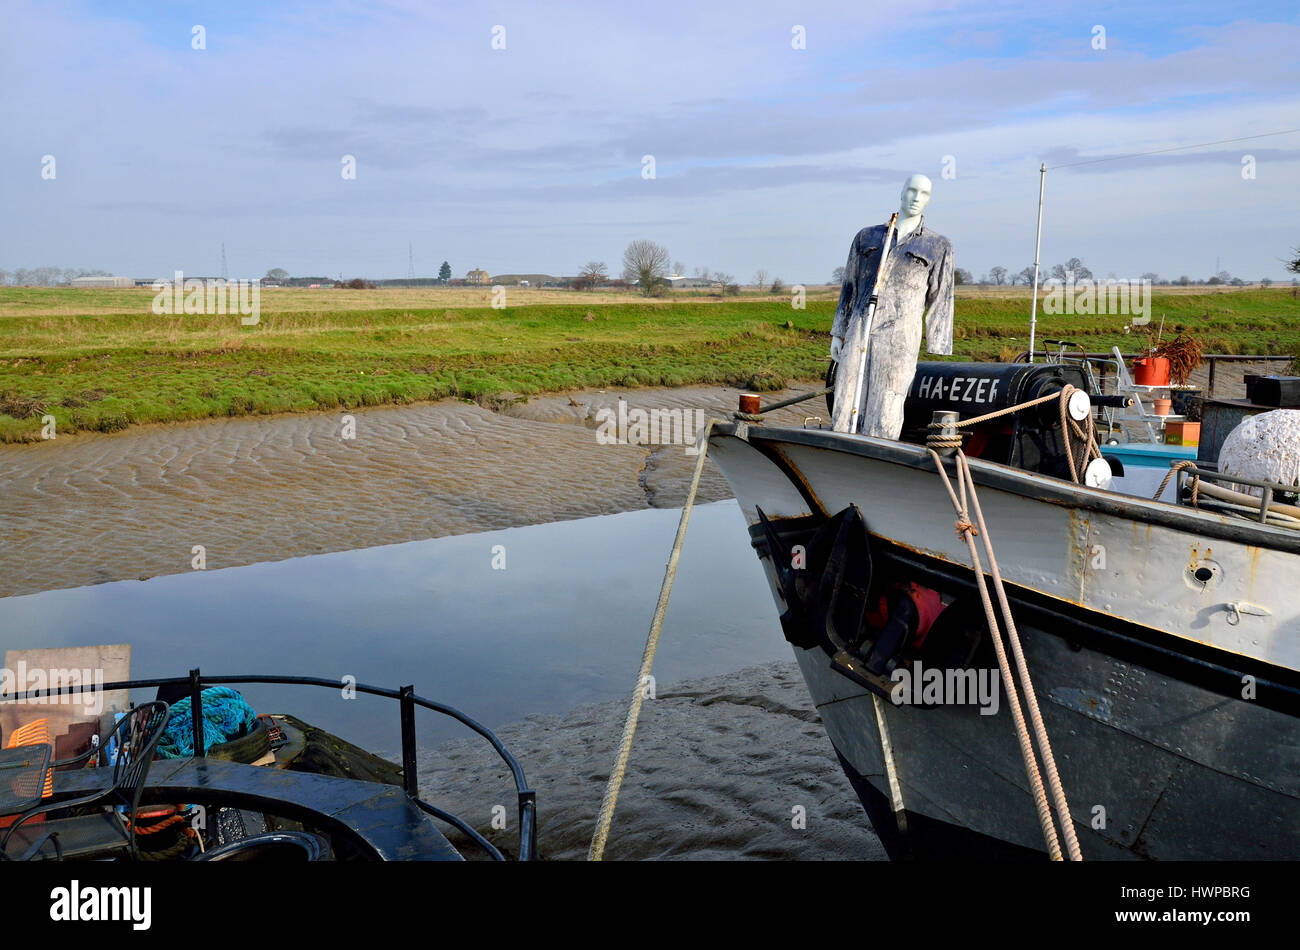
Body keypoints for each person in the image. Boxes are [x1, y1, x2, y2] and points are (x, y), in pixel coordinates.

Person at [830, 174, 954, 438]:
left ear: (930, 199)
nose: (916, 198)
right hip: (859, 330)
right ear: (901, 191)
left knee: (888, 400)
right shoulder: (866, 237)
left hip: (900, 338)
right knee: (846, 393)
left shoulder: (937, 245)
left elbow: (941, 296)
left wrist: (938, 342)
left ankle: (878, 455)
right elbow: (849, 286)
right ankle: (839, 449)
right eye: (912, 190)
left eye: (924, 193)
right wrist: (838, 332)